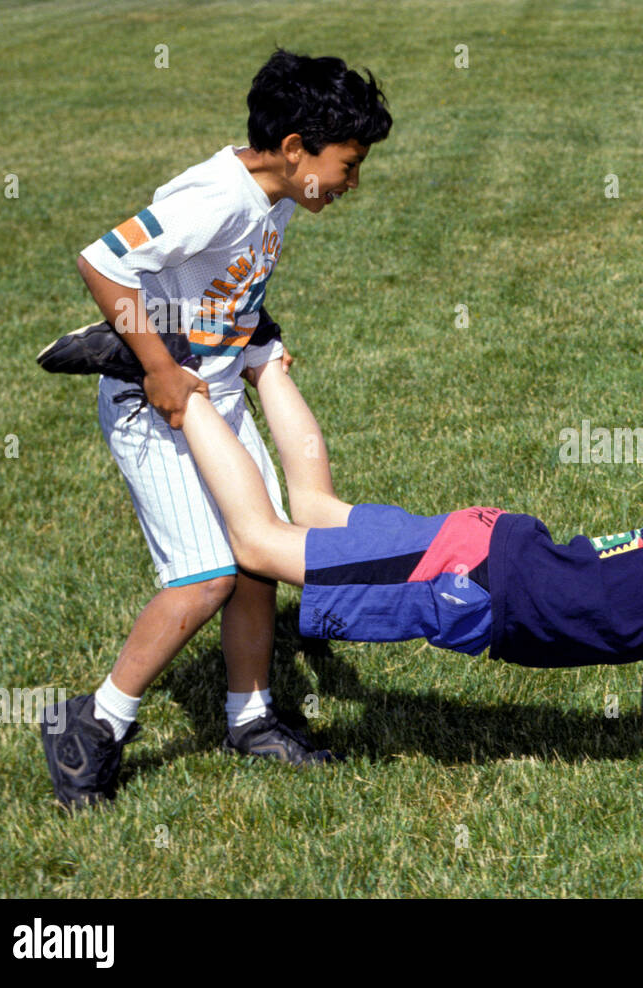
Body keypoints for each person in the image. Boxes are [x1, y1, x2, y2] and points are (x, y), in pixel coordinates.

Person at [177, 388, 643, 844]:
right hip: (478, 585)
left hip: (495, 547)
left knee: (317, 513)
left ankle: (264, 360)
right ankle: (187, 397)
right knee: (262, 543)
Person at [38, 49, 392, 811]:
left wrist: (256, 339)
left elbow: (227, 284)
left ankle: (251, 718)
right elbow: (103, 260)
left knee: (257, 553)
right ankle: (92, 724)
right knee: (207, 578)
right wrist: (160, 369)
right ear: (296, 148)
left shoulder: (280, 194)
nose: (352, 183)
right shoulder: (216, 195)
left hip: (219, 394)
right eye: (348, 164)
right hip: (156, 402)